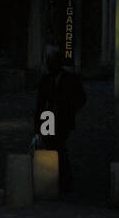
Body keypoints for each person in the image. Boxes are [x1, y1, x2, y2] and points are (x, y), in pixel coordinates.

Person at [34, 45, 86, 196]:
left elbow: (81, 98)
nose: (49, 64)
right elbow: (40, 103)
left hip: (62, 117)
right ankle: (54, 179)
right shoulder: (46, 79)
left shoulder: (69, 79)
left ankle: (63, 181)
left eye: (51, 61)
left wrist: (69, 108)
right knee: (50, 147)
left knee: (59, 147)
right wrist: (38, 124)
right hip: (48, 118)